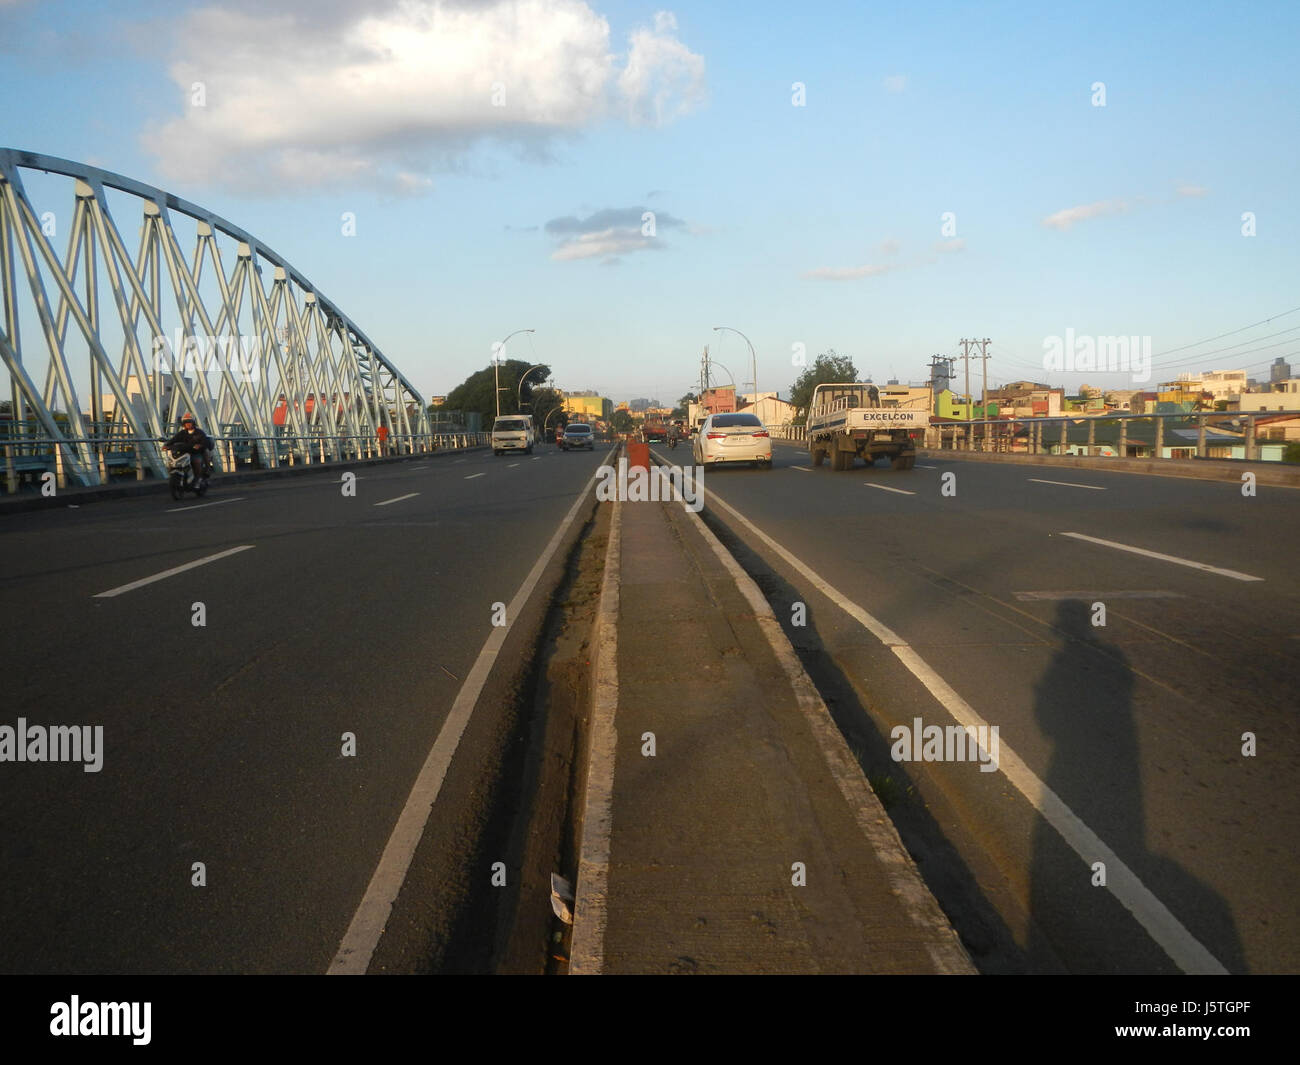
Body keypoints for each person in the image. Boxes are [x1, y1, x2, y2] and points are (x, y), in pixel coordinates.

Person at [166, 412, 213, 483]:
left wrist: (200, 445)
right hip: (184, 453)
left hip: (196, 453)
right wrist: (166, 445)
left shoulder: (199, 433)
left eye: (190, 422)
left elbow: (204, 442)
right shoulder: (182, 433)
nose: (188, 424)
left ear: (193, 423)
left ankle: (198, 479)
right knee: (172, 462)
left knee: (196, 461)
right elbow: (174, 439)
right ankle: (174, 477)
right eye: (186, 422)